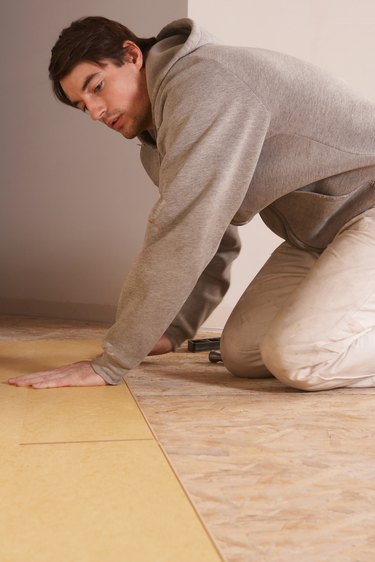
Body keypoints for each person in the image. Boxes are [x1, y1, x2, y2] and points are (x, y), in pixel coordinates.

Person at [8, 16, 375, 391]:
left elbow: (185, 230)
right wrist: (174, 328)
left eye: (97, 87)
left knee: (299, 359)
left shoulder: (208, 83)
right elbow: (215, 232)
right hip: (319, 237)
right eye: (83, 105)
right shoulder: (157, 145)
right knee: (243, 355)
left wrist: (112, 361)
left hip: (369, 208)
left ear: (132, 54)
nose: (95, 111)